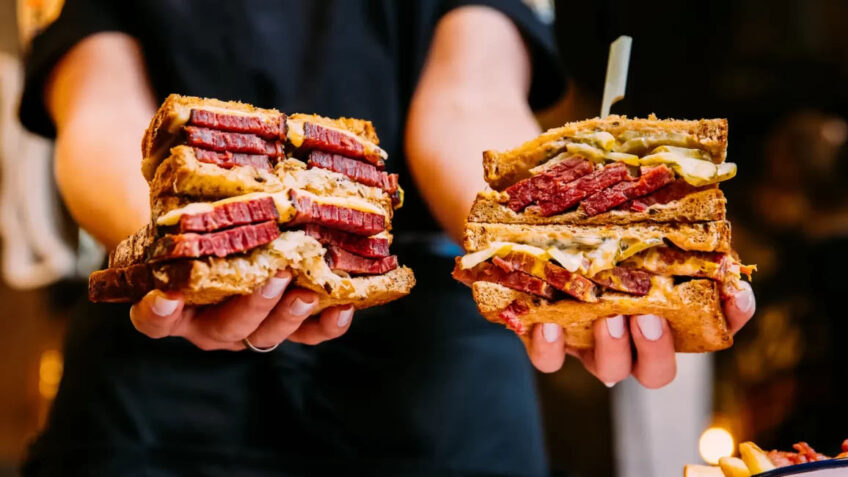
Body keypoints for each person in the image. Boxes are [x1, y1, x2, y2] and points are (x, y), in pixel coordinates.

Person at [19, 1, 756, 475]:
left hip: (440, 398)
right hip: (155, 407)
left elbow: (469, 97)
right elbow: (102, 109)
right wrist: (192, 241)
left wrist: (556, 250)